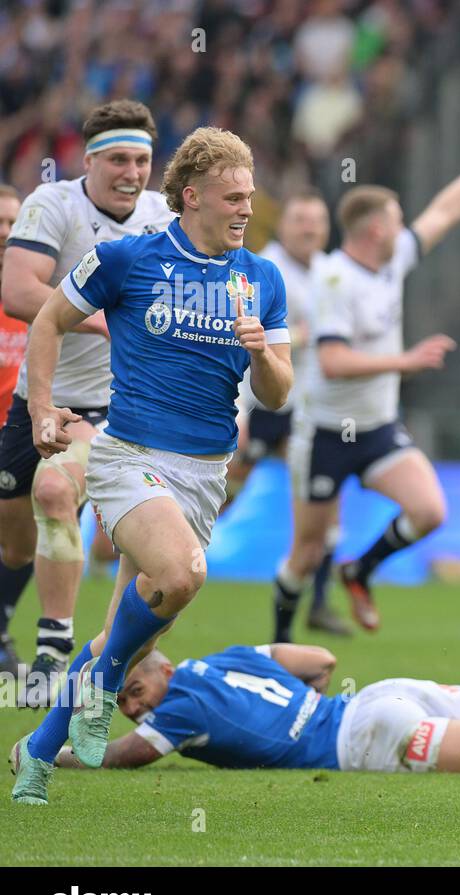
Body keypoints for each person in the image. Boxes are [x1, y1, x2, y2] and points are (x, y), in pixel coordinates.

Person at [10, 126, 293, 805]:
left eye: (250, 197)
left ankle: (37, 755)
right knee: (183, 573)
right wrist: (43, 410)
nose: (246, 211)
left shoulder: (260, 278)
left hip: (204, 474)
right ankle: (103, 687)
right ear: (191, 197)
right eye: (233, 197)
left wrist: (261, 352)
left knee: (126, 636)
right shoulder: (128, 259)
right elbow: (47, 319)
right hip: (128, 455)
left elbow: (280, 393)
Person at [271, 110, 460, 640]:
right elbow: (333, 362)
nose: (406, 224)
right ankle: (279, 647)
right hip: (324, 433)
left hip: (378, 427)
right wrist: (404, 362)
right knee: (305, 550)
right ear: (375, 228)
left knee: (430, 510)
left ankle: (360, 570)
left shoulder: (390, 260)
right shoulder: (335, 279)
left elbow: (445, 213)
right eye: (396, 216)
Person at [0, 101, 173, 703]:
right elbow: (19, 288)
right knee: (15, 543)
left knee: (55, 493)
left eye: (143, 160)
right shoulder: (53, 203)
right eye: (119, 159)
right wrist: (97, 318)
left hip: (116, 409)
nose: (132, 172)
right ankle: (5, 632)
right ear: (89, 159)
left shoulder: (165, 214)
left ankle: (55, 653)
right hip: (39, 401)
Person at [18, 640, 460, 789]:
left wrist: (56, 754)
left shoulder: (180, 706)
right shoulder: (229, 658)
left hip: (373, 735)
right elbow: (317, 658)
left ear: (161, 670)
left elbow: (133, 752)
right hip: (377, 695)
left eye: (133, 693)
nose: (135, 708)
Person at [227, 190, 351, 635]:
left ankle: (317, 603)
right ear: (283, 226)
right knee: (227, 487)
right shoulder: (262, 269)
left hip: (311, 406)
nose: (310, 228)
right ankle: (176, 546)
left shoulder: (332, 271)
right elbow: (246, 336)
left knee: (327, 506)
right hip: (265, 402)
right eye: (301, 219)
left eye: (317, 220)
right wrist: (301, 335)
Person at [0, 184, 27, 675]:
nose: (6, 233)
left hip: (20, 433)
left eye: (14, 224)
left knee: (22, 546)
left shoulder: (37, 291)